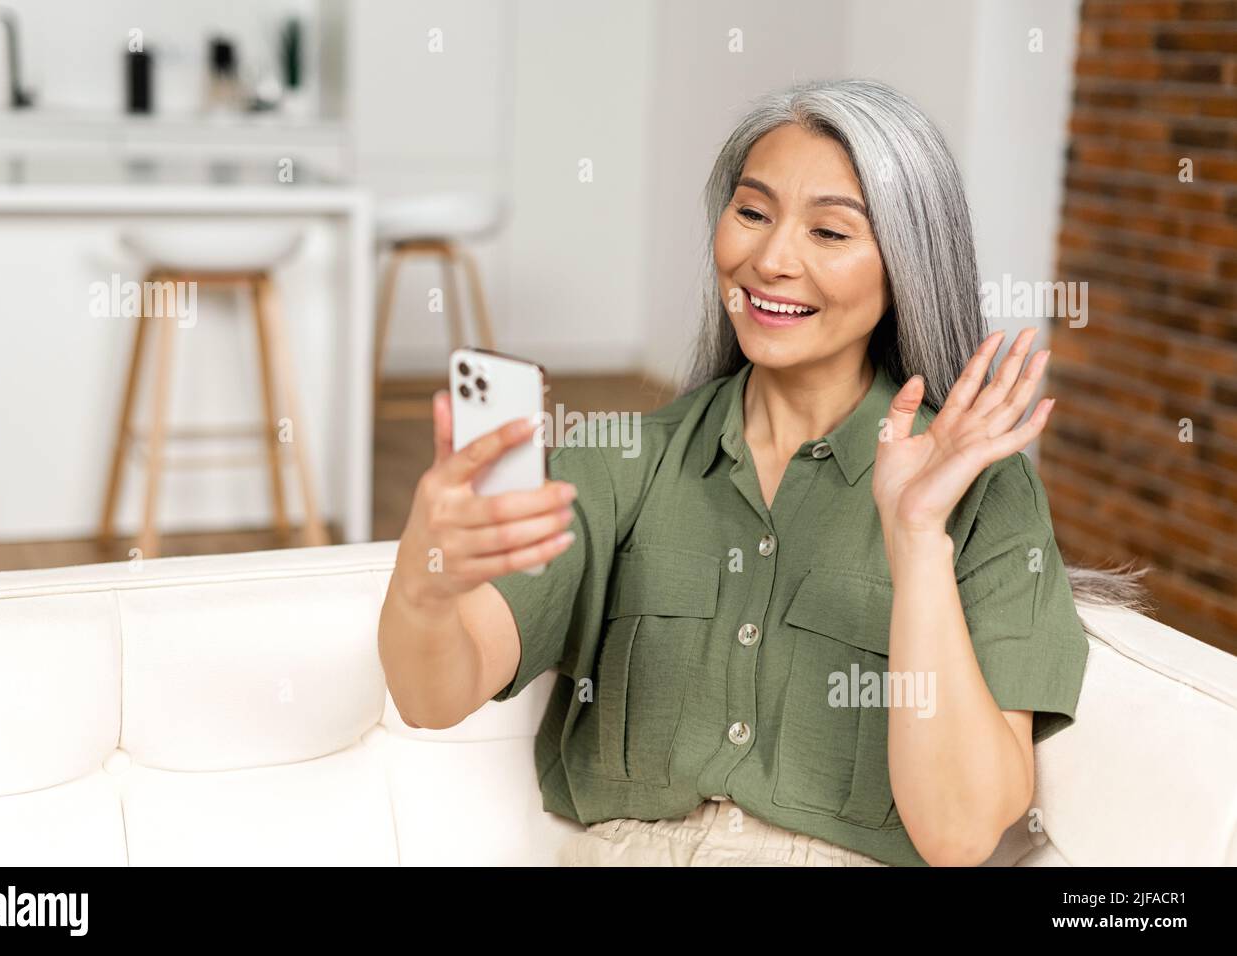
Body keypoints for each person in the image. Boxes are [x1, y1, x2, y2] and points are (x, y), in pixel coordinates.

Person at [377, 78, 1149, 867]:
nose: (771, 260)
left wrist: (917, 540)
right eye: (751, 213)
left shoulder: (982, 493)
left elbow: (958, 834)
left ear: (906, 268)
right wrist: (425, 580)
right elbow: (434, 694)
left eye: (830, 233)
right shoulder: (621, 462)